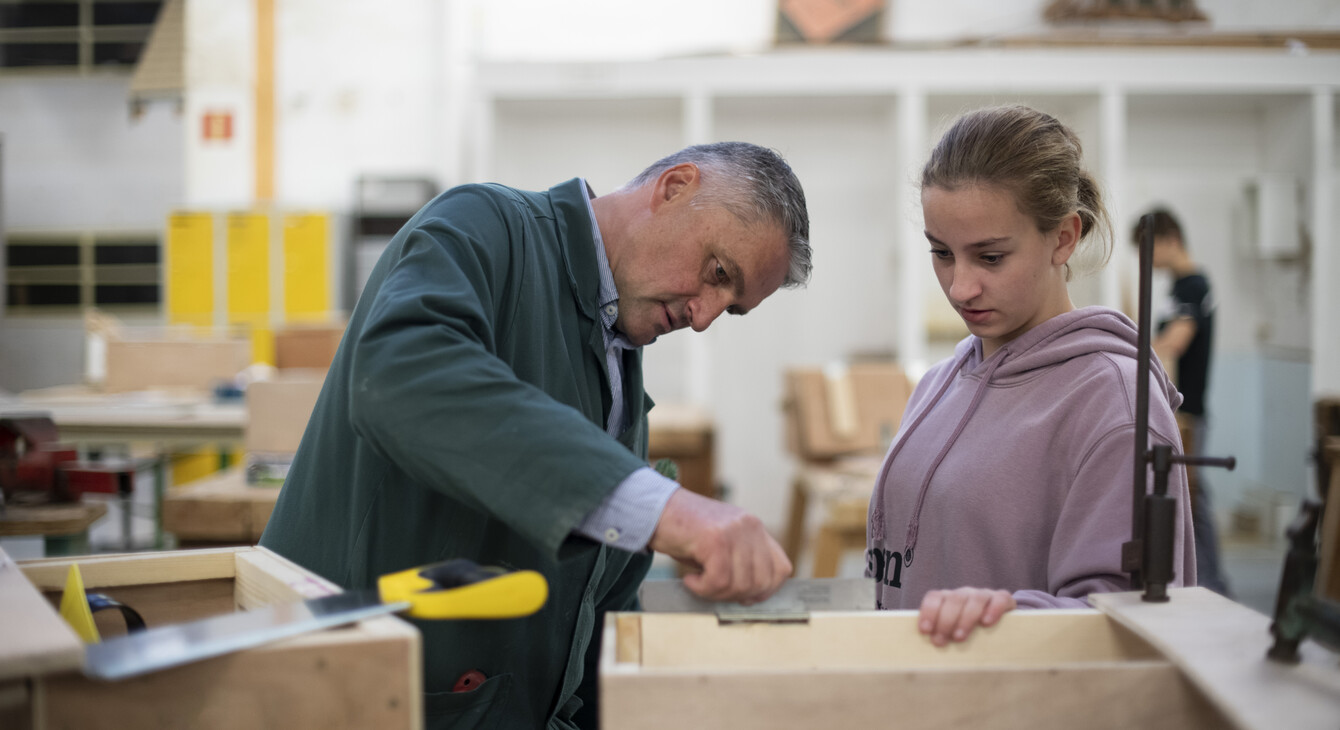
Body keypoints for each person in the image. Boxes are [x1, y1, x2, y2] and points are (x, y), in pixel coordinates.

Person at [259, 142, 809, 729]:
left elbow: (590, 614)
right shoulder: (484, 228)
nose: (703, 317)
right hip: (344, 699)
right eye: (717, 273)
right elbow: (403, 376)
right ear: (673, 187)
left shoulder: (617, 363)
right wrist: (665, 509)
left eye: (729, 308)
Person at [865, 105, 1196, 646]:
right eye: (942, 253)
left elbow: (1127, 626)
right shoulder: (939, 385)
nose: (959, 287)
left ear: (1064, 238)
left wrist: (1004, 614)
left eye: (990, 258)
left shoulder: (1114, 403)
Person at [1134, 208, 1230, 596]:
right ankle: (1201, 582)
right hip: (1176, 409)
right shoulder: (1177, 288)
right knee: (1187, 497)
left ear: (1170, 239)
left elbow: (1176, 342)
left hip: (1188, 412)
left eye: (1149, 249)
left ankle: (1212, 586)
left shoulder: (1194, 285)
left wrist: (1135, 351)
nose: (1148, 260)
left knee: (1192, 500)